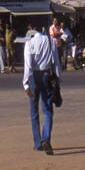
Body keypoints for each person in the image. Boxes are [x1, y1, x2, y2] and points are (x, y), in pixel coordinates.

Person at [23, 26, 59, 155]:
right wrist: (57, 81)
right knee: (48, 110)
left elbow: (28, 65)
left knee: (34, 112)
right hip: (47, 76)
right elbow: (56, 63)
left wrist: (25, 84)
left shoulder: (29, 43)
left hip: (33, 77)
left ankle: (38, 143)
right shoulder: (50, 41)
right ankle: (46, 138)